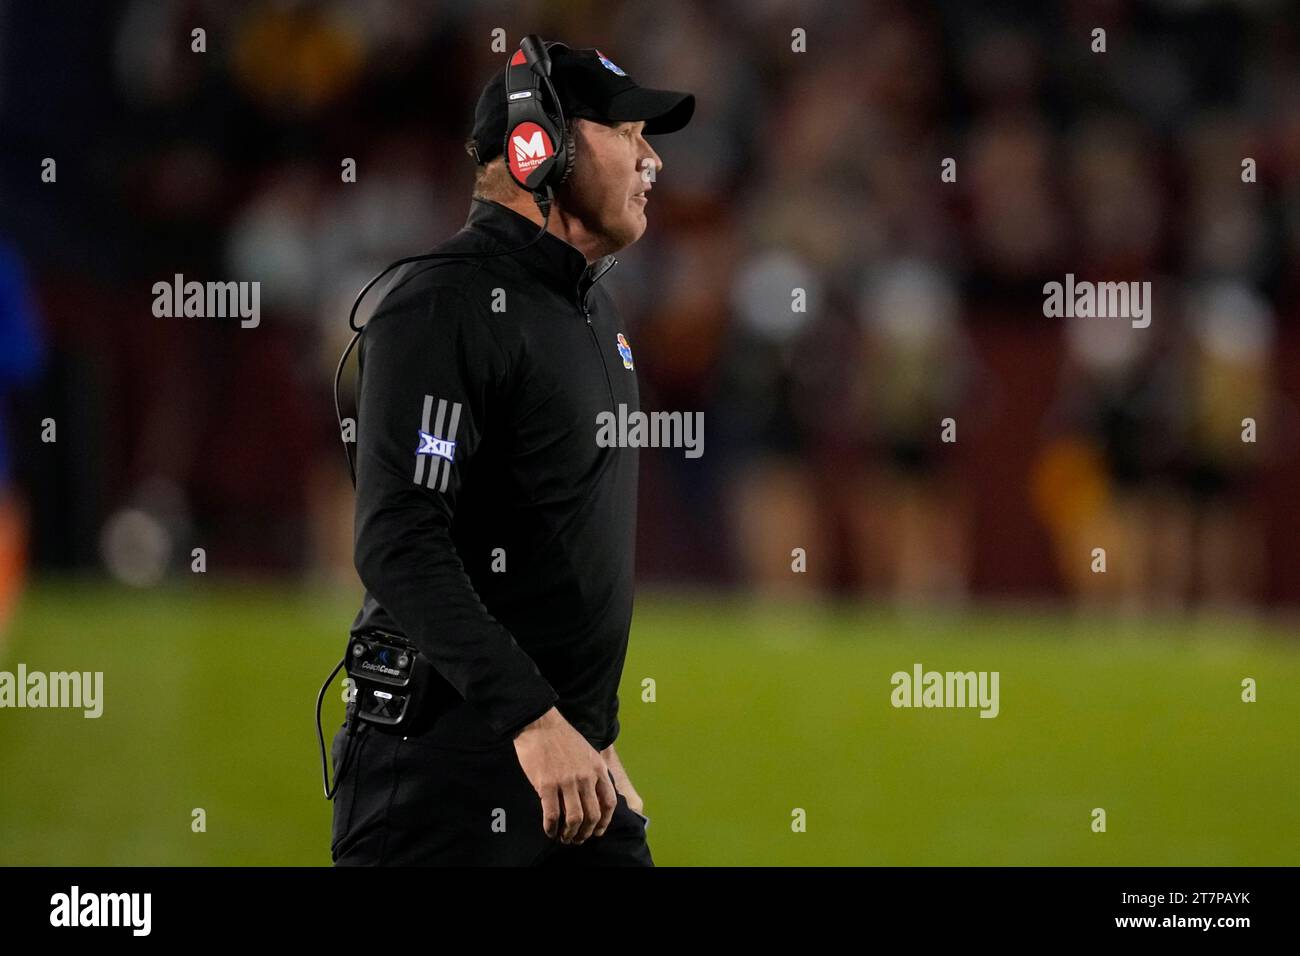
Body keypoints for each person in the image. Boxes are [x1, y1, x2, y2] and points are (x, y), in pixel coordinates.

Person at [329, 41, 693, 866]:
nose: (653, 159)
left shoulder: (590, 311)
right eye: (628, 130)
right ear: (541, 144)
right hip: (442, 772)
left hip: (566, 762)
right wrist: (533, 720)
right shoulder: (440, 304)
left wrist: (591, 735)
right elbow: (398, 539)